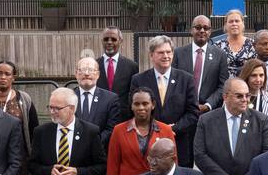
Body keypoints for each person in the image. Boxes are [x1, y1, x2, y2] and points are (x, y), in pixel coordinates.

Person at [130, 35, 198, 163]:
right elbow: (133, 111)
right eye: (161, 52)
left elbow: (193, 113)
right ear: (151, 55)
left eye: (169, 52)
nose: (166, 56)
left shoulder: (186, 79)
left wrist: (173, 129)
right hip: (147, 143)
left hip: (178, 143)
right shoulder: (138, 80)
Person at [176, 14, 230, 115]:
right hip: (182, 112)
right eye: (198, 27)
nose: (202, 31)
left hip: (209, 113)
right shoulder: (178, 53)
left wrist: (208, 105)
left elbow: (223, 85)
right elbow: (174, 83)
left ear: (210, 32)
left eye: (206, 28)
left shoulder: (220, 55)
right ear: (191, 30)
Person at [97, 26, 139, 115]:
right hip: (99, 116)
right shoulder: (94, 65)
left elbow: (134, 94)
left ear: (120, 41)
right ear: (101, 41)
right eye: (106, 39)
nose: (109, 42)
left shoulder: (132, 66)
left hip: (123, 117)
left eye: (113, 39)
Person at [239, 56, 268, 135]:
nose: (258, 80)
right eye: (254, 75)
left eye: (261, 75)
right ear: (246, 76)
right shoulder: (234, 96)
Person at [215, 8, 257, 79]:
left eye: (237, 21)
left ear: (243, 23)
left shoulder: (253, 45)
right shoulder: (217, 46)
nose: (234, 24)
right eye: (231, 21)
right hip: (223, 87)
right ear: (225, 25)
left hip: (246, 86)